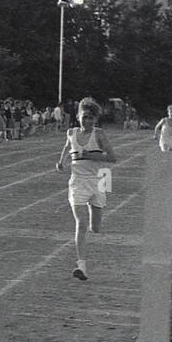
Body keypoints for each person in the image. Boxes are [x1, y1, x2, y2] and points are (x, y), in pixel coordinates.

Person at [57, 100, 117, 282]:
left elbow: (113, 158)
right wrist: (61, 162)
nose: (87, 121)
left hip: (100, 180)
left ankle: (94, 215)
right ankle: (81, 265)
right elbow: (67, 148)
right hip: (77, 183)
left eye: (91, 118)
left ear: (96, 119)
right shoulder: (71, 133)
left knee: (95, 227)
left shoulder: (100, 135)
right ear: (78, 117)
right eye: (84, 117)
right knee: (81, 224)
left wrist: (90, 155)